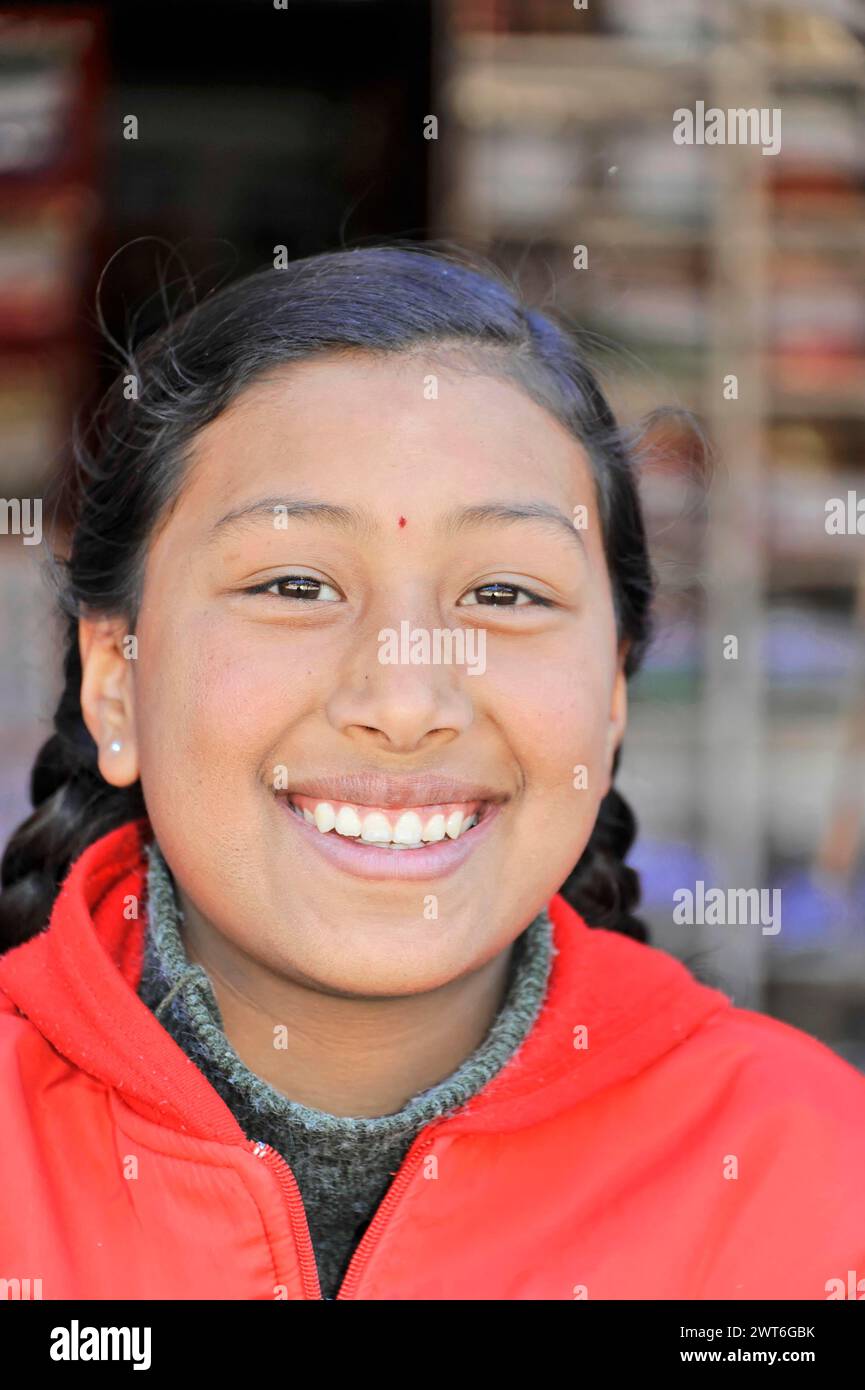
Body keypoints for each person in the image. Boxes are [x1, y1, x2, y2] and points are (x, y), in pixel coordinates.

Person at [0, 244, 863, 1301]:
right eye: (296, 581)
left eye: (502, 594)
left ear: (612, 693)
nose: (407, 700)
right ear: (115, 680)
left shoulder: (817, 1190)